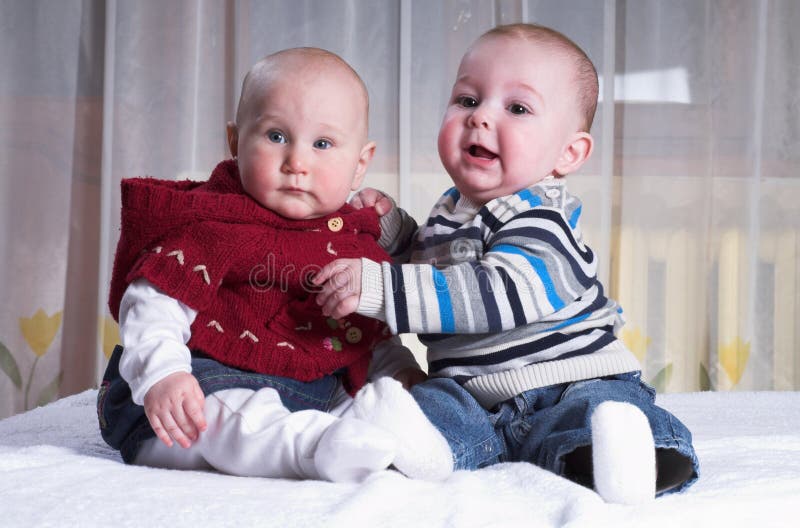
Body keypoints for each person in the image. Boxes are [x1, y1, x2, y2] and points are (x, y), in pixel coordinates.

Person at [314, 24, 698, 504]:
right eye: (467, 100)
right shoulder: (451, 210)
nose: (480, 119)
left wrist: (383, 288)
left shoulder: (541, 216)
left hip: (568, 379)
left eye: (517, 108)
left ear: (569, 153)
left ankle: (630, 454)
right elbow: (437, 271)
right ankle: (421, 445)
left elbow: (496, 293)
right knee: (431, 407)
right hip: (472, 393)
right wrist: (391, 232)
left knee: (594, 414)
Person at [97, 47, 452, 483]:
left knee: (369, 400)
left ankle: (393, 440)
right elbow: (152, 304)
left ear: (360, 164)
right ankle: (311, 448)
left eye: (322, 144)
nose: (297, 163)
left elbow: (360, 337)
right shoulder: (212, 225)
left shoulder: (351, 245)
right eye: (276, 136)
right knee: (229, 414)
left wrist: (400, 374)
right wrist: (164, 374)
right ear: (235, 142)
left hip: (311, 394)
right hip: (185, 404)